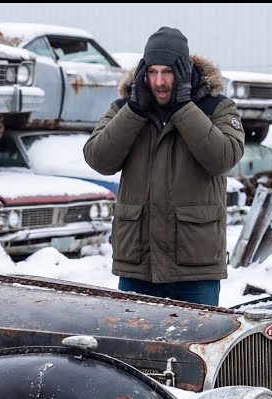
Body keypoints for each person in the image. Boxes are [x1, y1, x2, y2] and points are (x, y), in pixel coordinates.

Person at [84, 26, 244, 306]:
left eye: (168, 72)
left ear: (184, 71)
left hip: (195, 269)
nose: (159, 81)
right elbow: (98, 159)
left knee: (198, 346)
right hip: (138, 266)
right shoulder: (127, 108)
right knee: (136, 348)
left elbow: (223, 157)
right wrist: (133, 111)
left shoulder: (217, 108)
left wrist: (184, 108)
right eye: (153, 72)